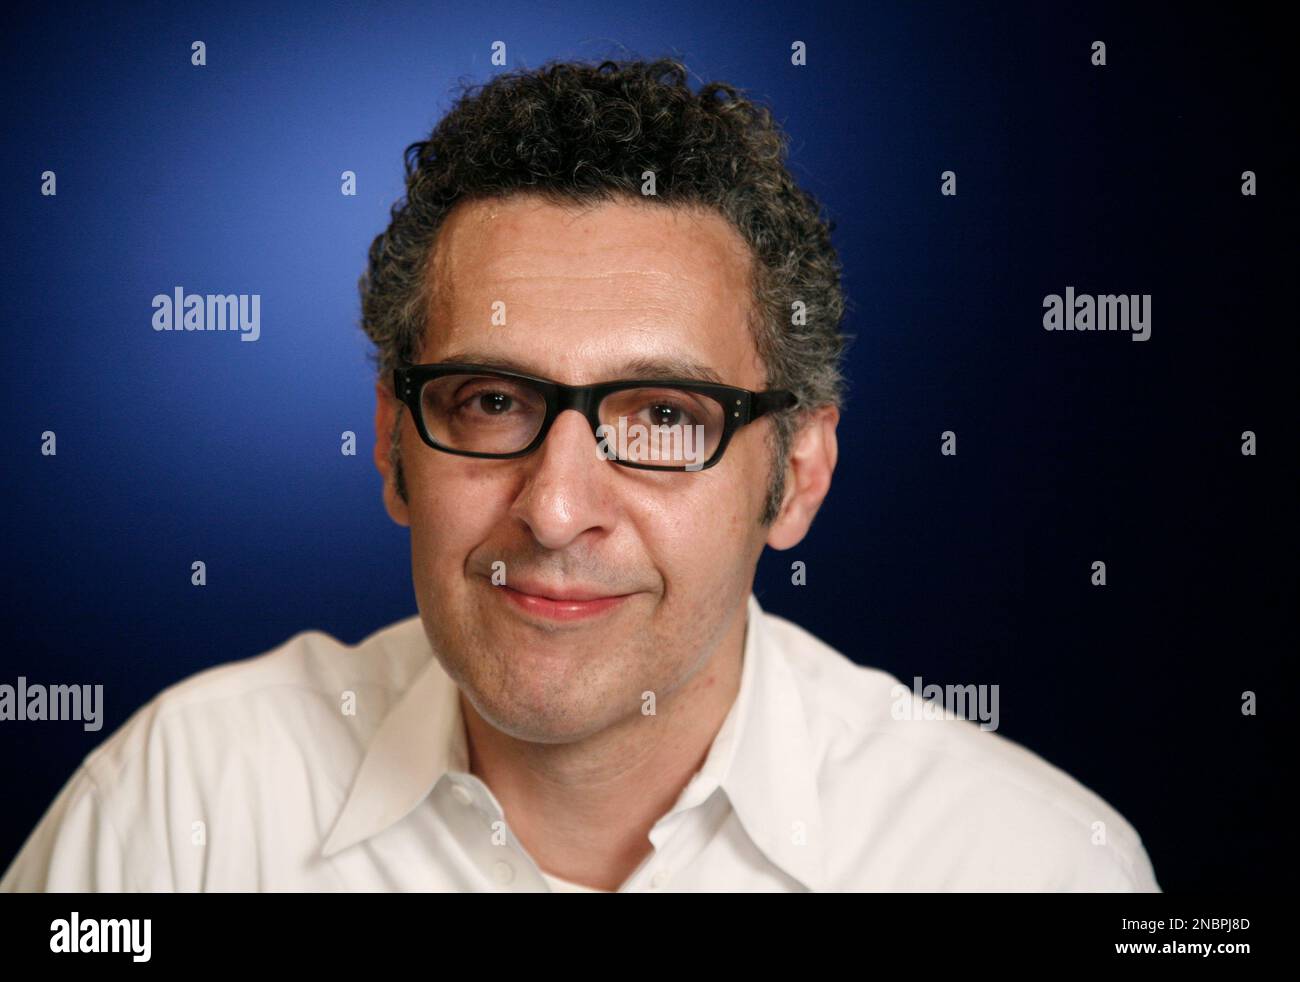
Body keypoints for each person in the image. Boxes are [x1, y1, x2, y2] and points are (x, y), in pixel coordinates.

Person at [0, 58, 1158, 892]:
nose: (554, 508)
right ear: (394, 446)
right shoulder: (176, 811)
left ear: (796, 475)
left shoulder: (1030, 866)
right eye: (493, 401)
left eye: (661, 415)